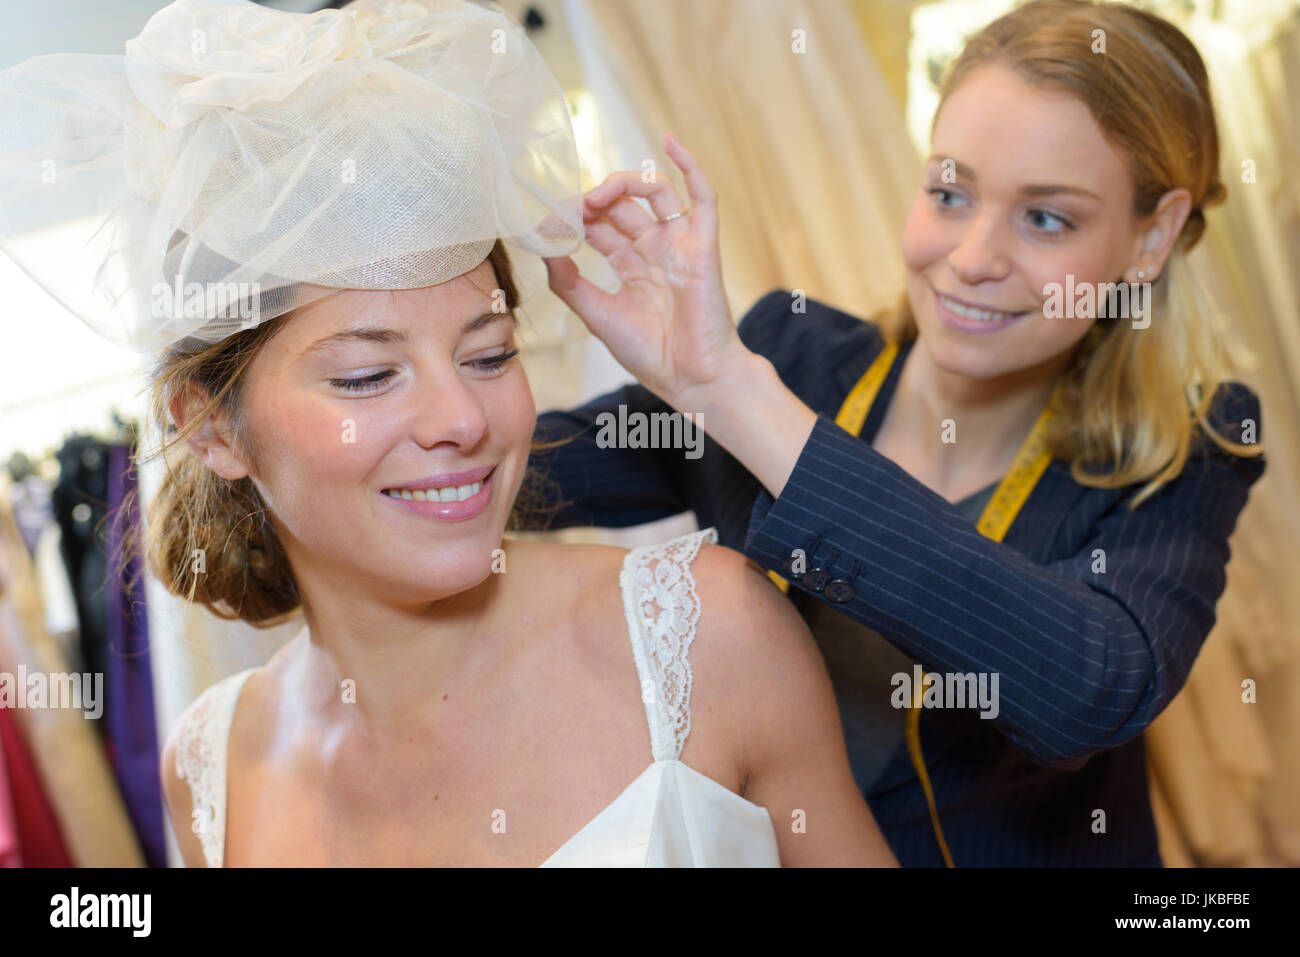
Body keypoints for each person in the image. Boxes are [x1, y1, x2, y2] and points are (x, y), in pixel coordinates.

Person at [0, 0, 897, 866]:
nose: (464, 420)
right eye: (367, 375)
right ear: (210, 429)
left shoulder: (706, 636)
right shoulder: (211, 773)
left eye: (489, 354)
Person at [533, 0, 1266, 866]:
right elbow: (512, 474)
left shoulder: (1194, 447)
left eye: (1045, 219)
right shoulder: (792, 355)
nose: (972, 256)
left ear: (1151, 236)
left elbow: (1081, 691)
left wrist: (731, 395)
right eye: (950, 193)